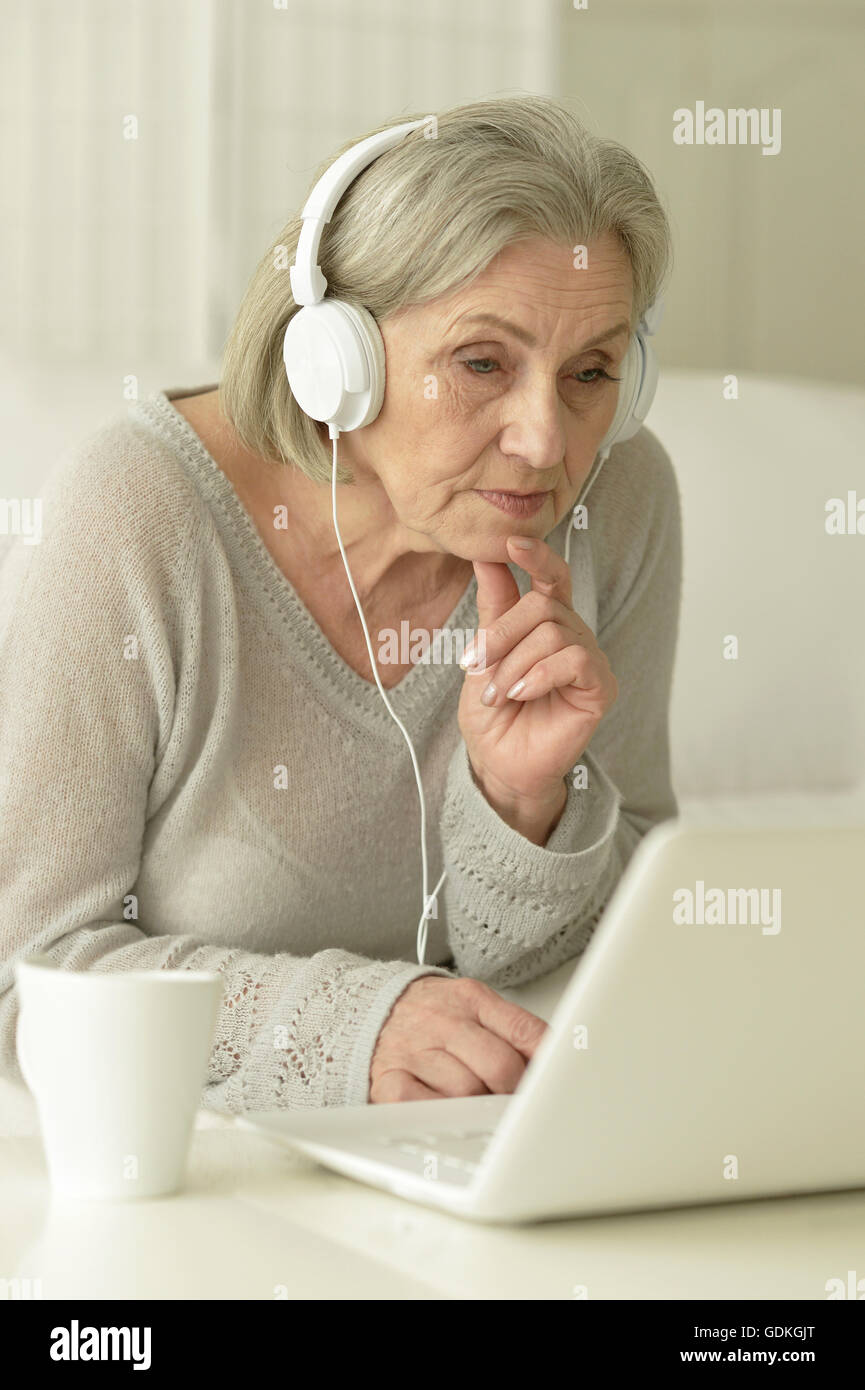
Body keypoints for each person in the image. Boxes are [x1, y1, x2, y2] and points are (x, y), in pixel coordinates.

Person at [0, 94, 681, 1111]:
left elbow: (623, 939)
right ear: (338, 364)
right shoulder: (140, 515)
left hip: (472, 1154)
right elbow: (25, 974)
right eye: (482, 362)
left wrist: (521, 807)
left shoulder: (618, 502)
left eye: (591, 372)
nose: (547, 442)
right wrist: (346, 1026)